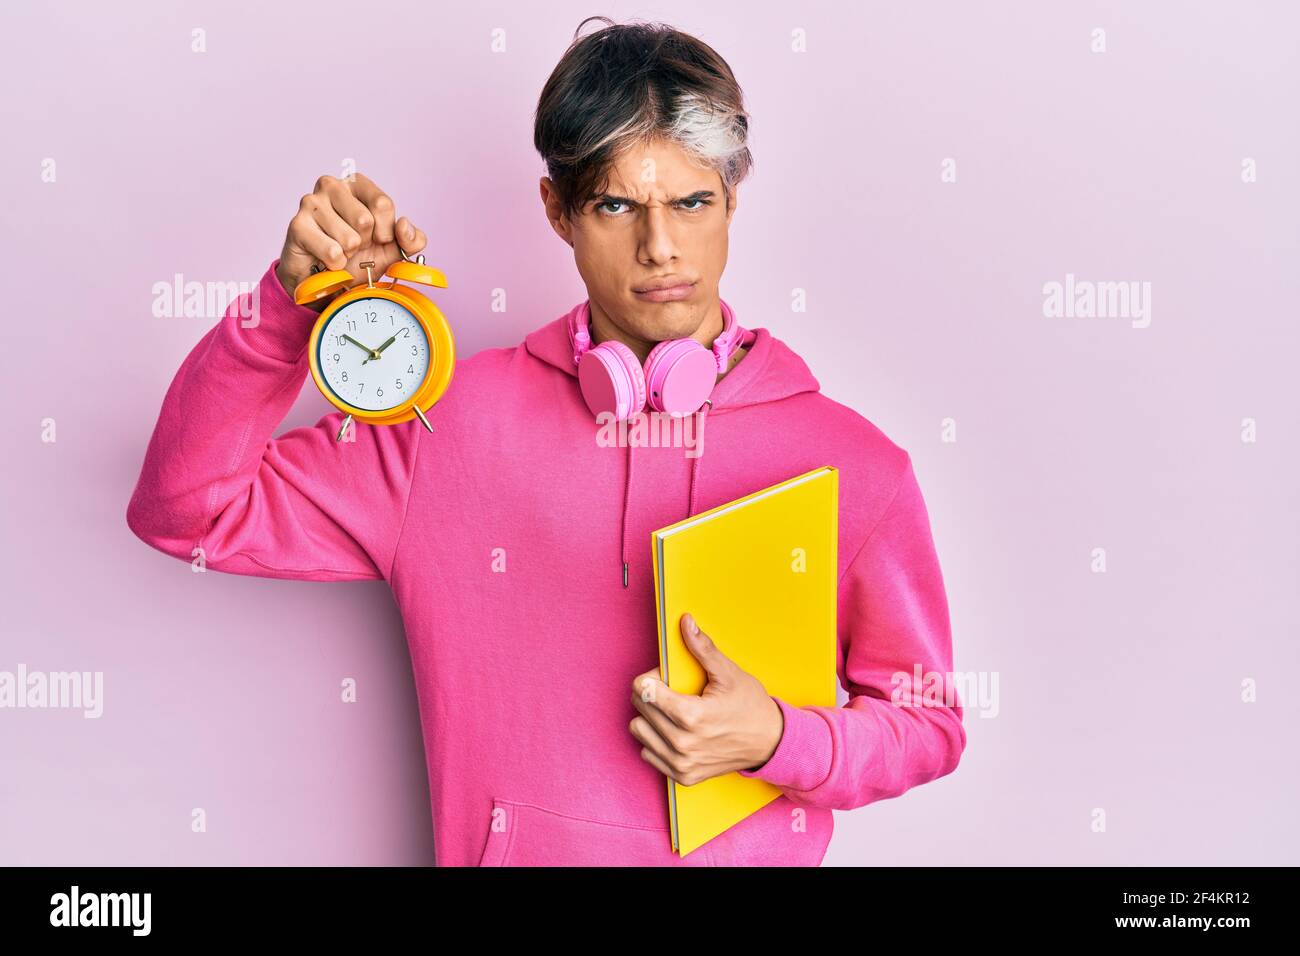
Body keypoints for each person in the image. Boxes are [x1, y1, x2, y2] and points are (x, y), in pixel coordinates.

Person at [125, 17, 965, 866]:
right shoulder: (442, 424)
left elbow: (927, 723)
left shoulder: (854, 461)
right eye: (615, 205)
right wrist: (285, 306)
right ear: (558, 211)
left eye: (691, 201)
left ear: (733, 198)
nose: (661, 246)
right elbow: (186, 513)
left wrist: (781, 738)